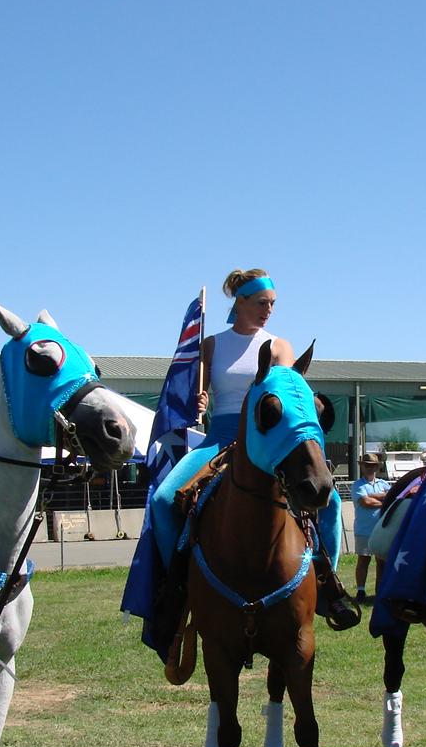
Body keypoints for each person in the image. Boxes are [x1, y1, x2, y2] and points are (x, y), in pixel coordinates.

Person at [148, 268, 358, 629]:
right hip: (218, 438)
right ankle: (176, 588)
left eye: (273, 304)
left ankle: (327, 585)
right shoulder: (210, 344)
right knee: (165, 500)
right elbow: (192, 389)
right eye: (262, 302)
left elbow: (287, 396)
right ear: (240, 301)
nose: (269, 310)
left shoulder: (280, 346)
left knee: (331, 500)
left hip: (267, 438)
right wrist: (197, 401)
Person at [351, 452, 390, 602]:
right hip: (364, 529)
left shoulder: (384, 484)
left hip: (381, 529)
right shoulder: (357, 485)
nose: (369, 468)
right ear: (362, 467)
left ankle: (379, 591)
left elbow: (391, 497)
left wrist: (372, 496)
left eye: (372, 466)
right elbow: (365, 503)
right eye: (366, 465)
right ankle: (361, 590)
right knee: (364, 559)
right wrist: (383, 499)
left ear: (376, 467)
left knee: (381, 561)